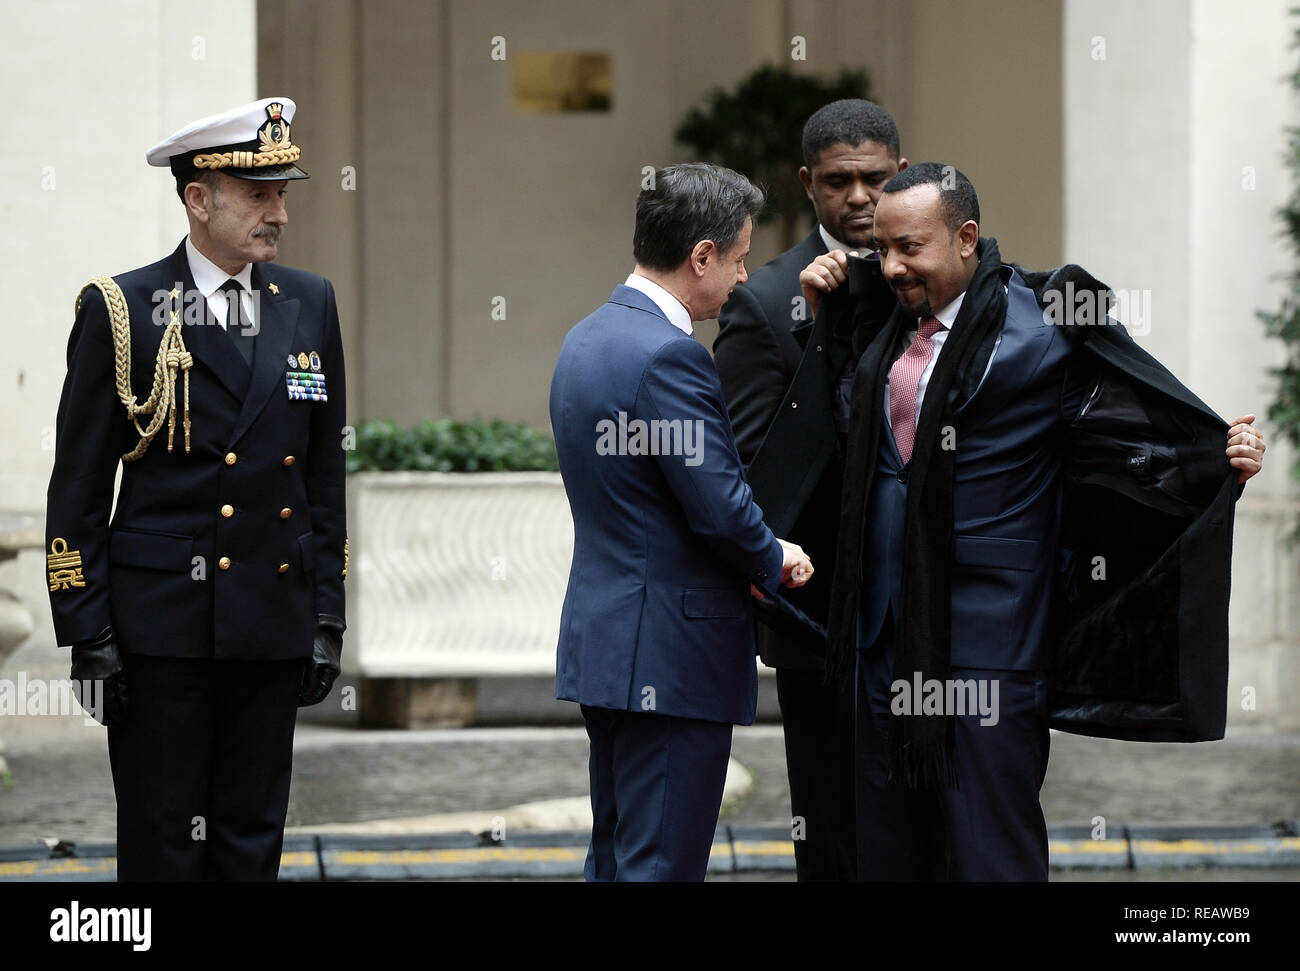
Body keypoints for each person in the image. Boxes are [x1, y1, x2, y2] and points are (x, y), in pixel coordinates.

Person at [800, 162, 1266, 880]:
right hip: (878, 635)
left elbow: (1137, 432)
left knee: (990, 851)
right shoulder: (879, 325)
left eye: (910, 248)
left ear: (966, 237)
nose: (893, 266)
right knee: (885, 852)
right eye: (883, 248)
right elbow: (834, 438)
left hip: (990, 641)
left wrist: (1221, 456)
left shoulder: (1046, 324)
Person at [45, 96, 349, 881]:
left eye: (283, 193)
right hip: (159, 634)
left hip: (270, 619)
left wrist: (325, 614)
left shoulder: (309, 303)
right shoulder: (124, 310)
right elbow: (78, 483)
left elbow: (320, 474)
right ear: (198, 197)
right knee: (163, 843)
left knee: (252, 841)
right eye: (259, 194)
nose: (278, 212)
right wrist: (87, 629)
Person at [549, 163, 814, 881]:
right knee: (659, 865)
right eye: (738, 258)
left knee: (616, 858)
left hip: (611, 646)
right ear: (702, 255)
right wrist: (776, 556)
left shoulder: (587, 337)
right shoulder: (671, 357)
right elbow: (720, 508)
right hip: (670, 653)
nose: (742, 278)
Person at [712, 98, 906, 881]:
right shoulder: (763, 302)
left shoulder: (934, 282)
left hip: (925, 618)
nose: (858, 197)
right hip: (821, 623)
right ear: (807, 185)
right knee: (833, 834)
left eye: (875, 178)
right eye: (838, 182)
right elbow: (754, 474)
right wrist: (825, 343)